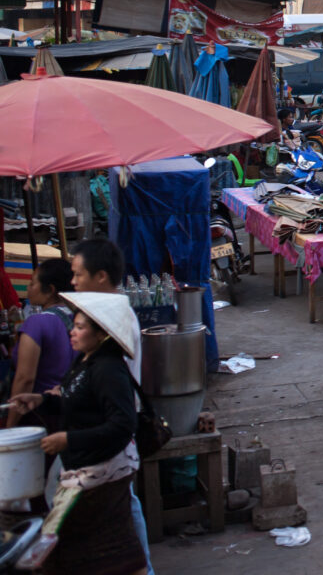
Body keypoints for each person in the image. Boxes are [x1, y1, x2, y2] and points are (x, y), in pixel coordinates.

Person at [10, 293, 145, 575]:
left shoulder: (108, 369)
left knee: (64, 544)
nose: (72, 331)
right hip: (87, 469)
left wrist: (68, 439)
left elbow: (122, 425)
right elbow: (76, 400)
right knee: (109, 550)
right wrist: (41, 400)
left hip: (103, 472)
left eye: (81, 327)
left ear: (101, 335)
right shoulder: (85, 361)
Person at [69, 241, 155, 574]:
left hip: (113, 428)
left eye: (78, 274)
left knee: (123, 503)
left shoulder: (114, 323)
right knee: (122, 503)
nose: (73, 281)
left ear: (101, 276)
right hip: (107, 427)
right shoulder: (104, 316)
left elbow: (110, 386)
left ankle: (143, 568)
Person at [7, 258, 76, 427]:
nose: (28, 288)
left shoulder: (36, 323)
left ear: (50, 290)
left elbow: (25, 379)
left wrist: (10, 426)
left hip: (40, 414)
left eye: (32, 283)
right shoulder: (80, 319)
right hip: (71, 410)